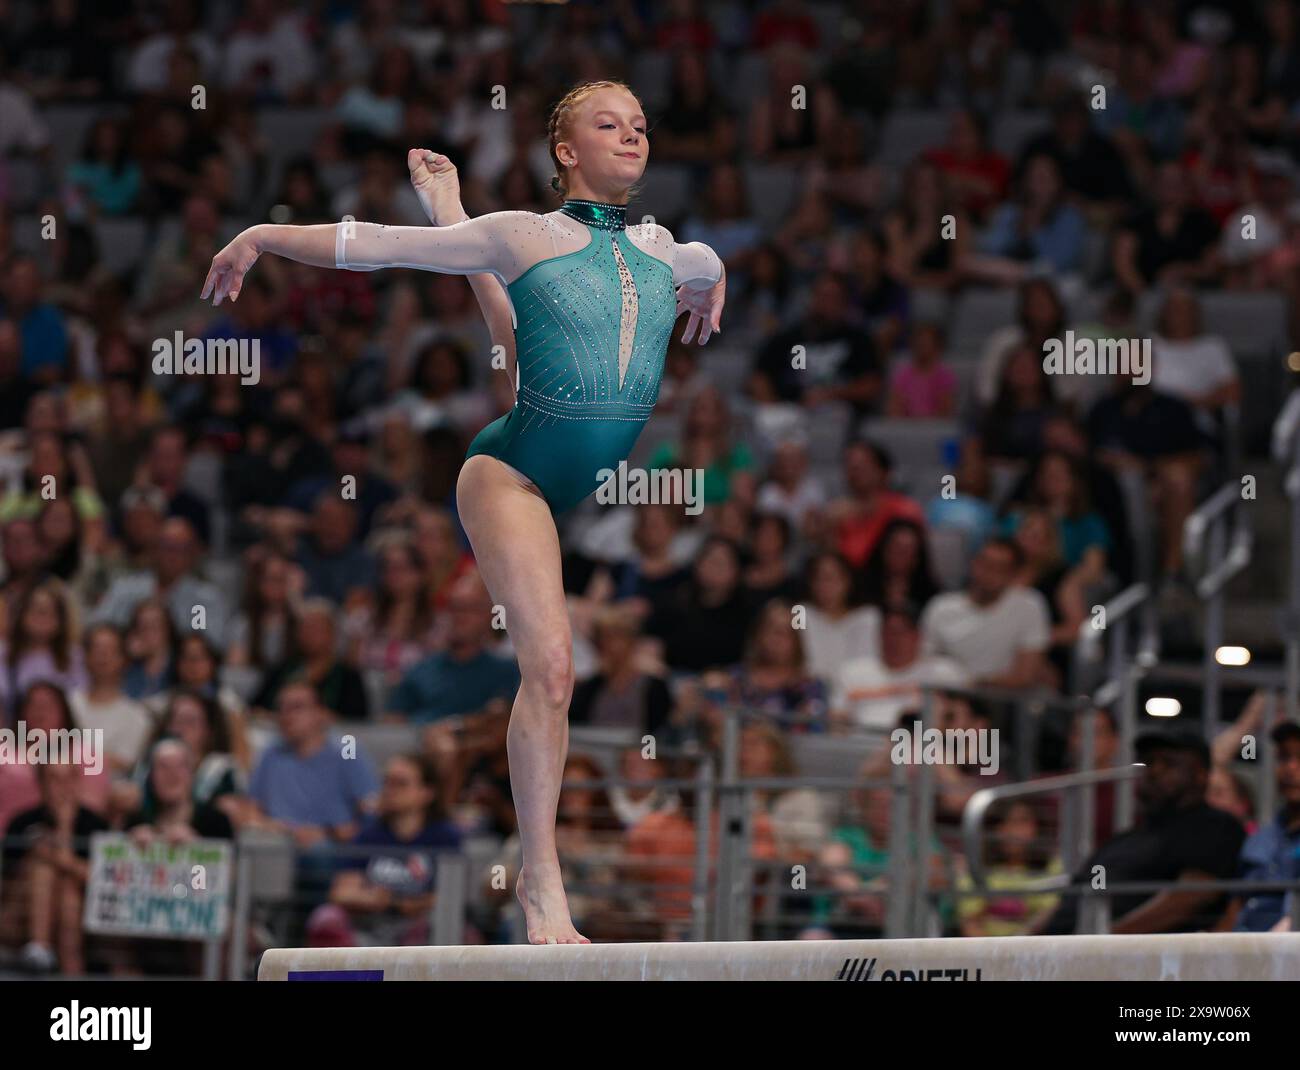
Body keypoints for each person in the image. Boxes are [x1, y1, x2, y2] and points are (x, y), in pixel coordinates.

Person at [203, 80, 725, 944]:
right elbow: (371, 246)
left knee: (524, 341)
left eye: (640, 124)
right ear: (566, 151)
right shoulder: (527, 230)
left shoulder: (668, 250)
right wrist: (260, 235)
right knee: (553, 669)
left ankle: (448, 201)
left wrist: (712, 290)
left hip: (564, 451)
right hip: (508, 472)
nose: (631, 135)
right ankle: (541, 880)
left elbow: (709, 263)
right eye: (608, 124)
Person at [1035, 730, 1245, 935]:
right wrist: (1022, 941)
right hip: (1063, 950)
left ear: (1201, 775)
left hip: (1125, 958)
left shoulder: (1216, 827)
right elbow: (1067, 900)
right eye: (1148, 763)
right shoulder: (1125, 837)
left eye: (1169, 764)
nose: (1154, 771)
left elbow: (1189, 898)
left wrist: (1104, 941)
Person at [919, 539, 1051, 690]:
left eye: (1000, 568)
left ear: (1013, 575)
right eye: (986, 564)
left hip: (1006, 699)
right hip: (948, 696)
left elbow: (1025, 676)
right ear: (973, 563)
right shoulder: (940, 607)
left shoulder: (1029, 605)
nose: (990, 573)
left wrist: (976, 684)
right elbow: (925, 663)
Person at [1228, 721, 1300, 932]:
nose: (1290, 768)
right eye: (1285, 758)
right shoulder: (1260, 837)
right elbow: (1237, 905)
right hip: (1244, 951)